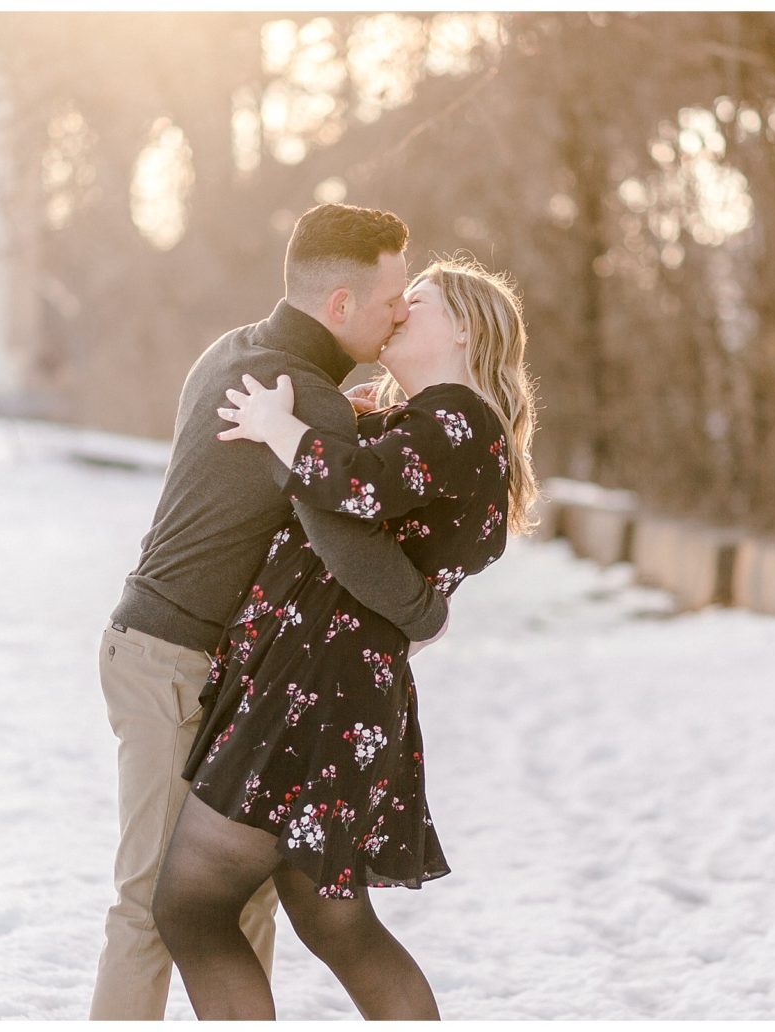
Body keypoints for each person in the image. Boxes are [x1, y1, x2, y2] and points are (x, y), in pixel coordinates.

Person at [90, 203, 454, 1021]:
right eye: (392, 297)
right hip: (168, 663)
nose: (401, 312)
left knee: (227, 901)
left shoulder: (233, 351)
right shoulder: (303, 400)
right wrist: (426, 615)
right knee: (151, 908)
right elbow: (350, 545)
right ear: (340, 305)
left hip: (204, 666)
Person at [152, 257, 540, 1020]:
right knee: (334, 923)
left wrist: (278, 425)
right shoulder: (442, 425)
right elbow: (382, 483)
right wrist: (357, 420)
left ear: (465, 327)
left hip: (315, 689)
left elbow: (356, 486)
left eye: (416, 300)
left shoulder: (458, 421)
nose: (396, 311)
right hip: (330, 686)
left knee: (191, 907)